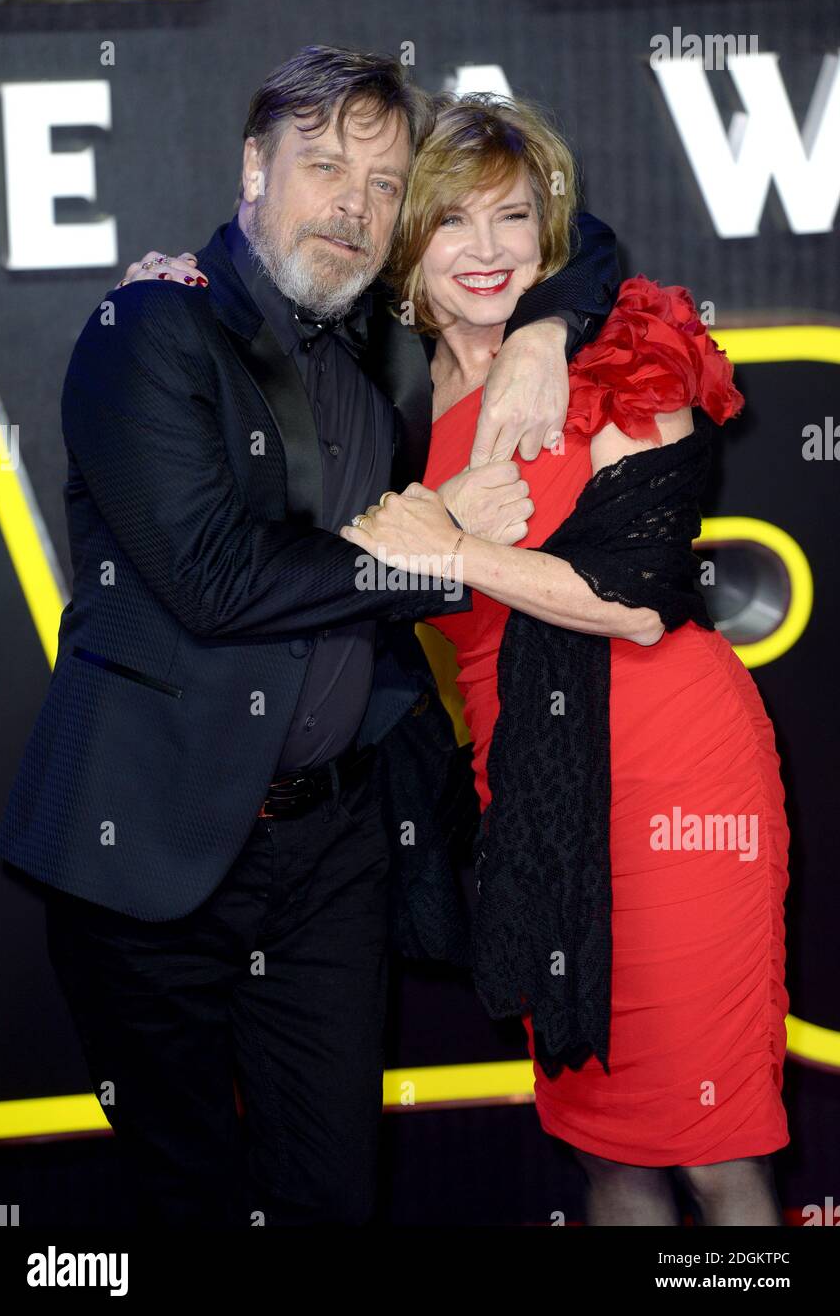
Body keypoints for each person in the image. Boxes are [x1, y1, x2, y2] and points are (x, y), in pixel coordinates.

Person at [0, 47, 620, 1227]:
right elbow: (216, 582)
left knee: (332, 1192)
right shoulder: (150, 326)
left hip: (334, 853)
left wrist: (540, 335)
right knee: (186, 1195)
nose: (352, 203)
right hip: (152, 850)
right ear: (250, 167)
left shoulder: (384, 337)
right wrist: (433, 553)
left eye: (383, 186)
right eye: (322, 164)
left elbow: (580, 241)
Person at [338, 94, 791, 1227]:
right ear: (407, 245)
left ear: (551, 238)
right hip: (534, 811)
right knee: (606, 1151)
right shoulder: (389, 411)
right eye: (452, 222)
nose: (485, 251)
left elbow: (634, 602)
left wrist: (449, 544)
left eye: (512, 218)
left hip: (673, 787)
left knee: (712, 1148)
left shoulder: (613, 349)